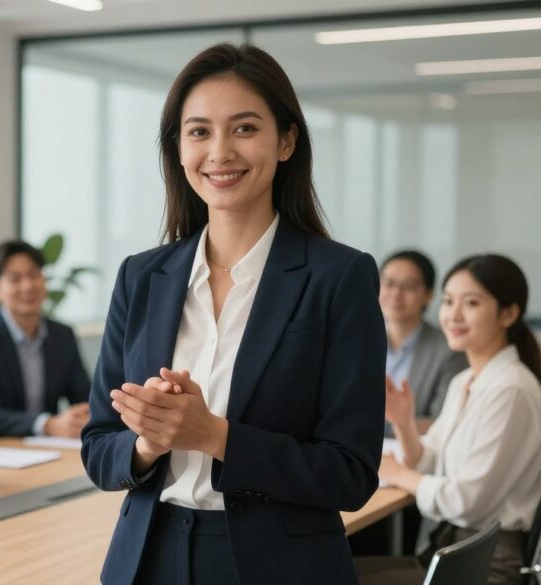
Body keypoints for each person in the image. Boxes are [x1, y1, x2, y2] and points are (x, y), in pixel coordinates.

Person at [80, 43, 385, 585]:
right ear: (178, 149)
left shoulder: (339, 277)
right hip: (149, 556)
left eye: (244, 128)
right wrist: (151, 441)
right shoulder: (141, 277)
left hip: (281, 566)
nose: (219, 152)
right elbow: (99, 447)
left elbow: (351, 474)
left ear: (286, 141)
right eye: (199, 131)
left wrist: (214, 436)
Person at [365, 254, 541, 585]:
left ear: (509, 313)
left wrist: (398, 474)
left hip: (486, 564)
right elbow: (430, 459)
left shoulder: (511, 388)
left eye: (471, 303)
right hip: (452, 550)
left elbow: (466, 503)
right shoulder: (467, 381)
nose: (452, 315)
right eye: (448, 302)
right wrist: (403, 422)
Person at [0, 240, 91, 439]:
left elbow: (84, 396)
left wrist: (84, 416)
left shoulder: (63, 335)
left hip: (51, 451)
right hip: (0, 452)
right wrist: (48, 424)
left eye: (34, 275)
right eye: (15, 279)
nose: (28, 286)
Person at [379, 250, 466, 434]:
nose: (395, 294)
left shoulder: (449, 350)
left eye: (408, 286)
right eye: (388, 283)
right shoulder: (359, 341)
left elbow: (441, 422)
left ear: (428, 295)